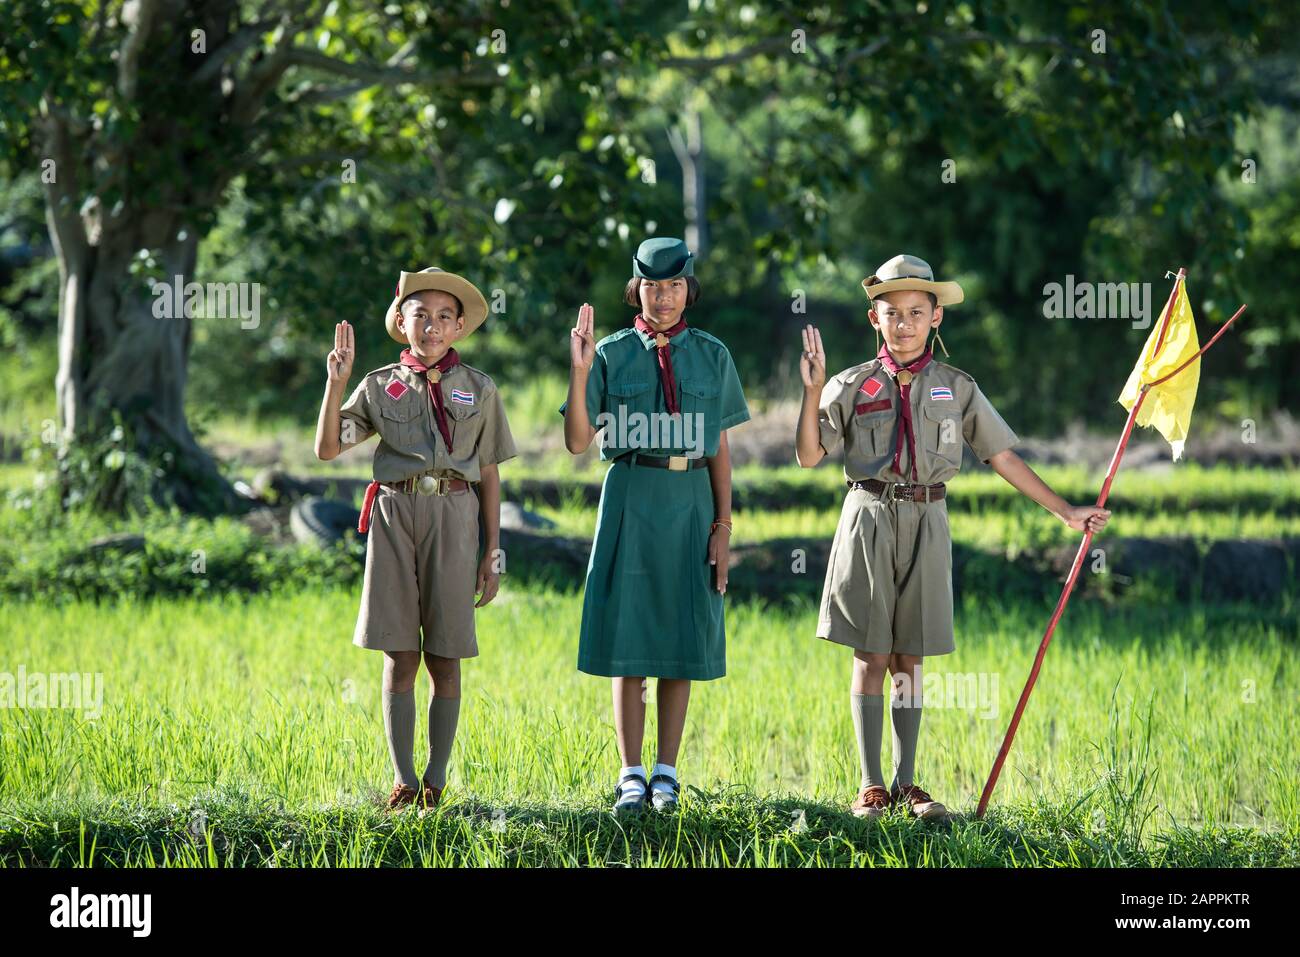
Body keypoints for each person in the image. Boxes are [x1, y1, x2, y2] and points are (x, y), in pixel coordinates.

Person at [795, 253, 1111, 820]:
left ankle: (906, 783)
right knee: (871, 653)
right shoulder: (850, 383)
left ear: (936, 316)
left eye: (917, 311)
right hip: (868, 515)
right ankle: (870, 788)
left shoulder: (957, 387)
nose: (905, 323)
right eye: (892, 312)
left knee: (910, 656)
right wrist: (810, 389)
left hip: (929, 520)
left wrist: (1065, 511)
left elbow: (1002, 456)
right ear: (874, 319)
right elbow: (808, 454)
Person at [314, 266, 517, 813]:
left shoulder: (480, 388)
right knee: (400, 653)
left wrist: (491, 551)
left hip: (455, 515)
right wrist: (336, 384)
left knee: (445, 658)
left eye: (443, 317)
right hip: (394, 514)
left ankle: (435, 779)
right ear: (401, 322)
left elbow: (491, 472)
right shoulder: (379, 385)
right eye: (419, 315)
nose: (431, 326)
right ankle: (403, 780)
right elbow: (329, 448)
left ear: (457, 328)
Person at [561, 237, 751, 812]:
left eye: (672, 286)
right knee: (629, 636)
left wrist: (723, 525)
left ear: (687, 288)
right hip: (630, 495)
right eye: (650, 286)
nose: (662, 297)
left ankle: (667, 773)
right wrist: (578, 369)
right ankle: (631, 773)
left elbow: (717, 446)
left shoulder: (713, 356)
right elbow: (575, 441)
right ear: (635, 289)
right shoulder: (611, 353)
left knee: (679, 634)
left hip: (691, 498)